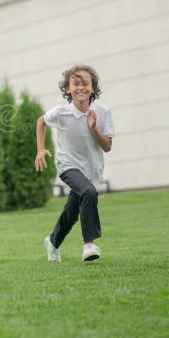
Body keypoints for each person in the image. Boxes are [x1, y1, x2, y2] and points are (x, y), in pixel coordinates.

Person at [35, 64, 114, 262]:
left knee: (72, 211)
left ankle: (53, 242)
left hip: (91, 169)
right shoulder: (61, 113)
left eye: (85, 83)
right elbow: (41, 121)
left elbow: (107, 147)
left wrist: (94, 128)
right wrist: (40, 149)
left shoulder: (102, 112)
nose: (81, 87)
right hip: (67, 165)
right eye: (75, 83)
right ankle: (89, 244)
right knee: (88, 192)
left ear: (93, 88)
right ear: (68, 89)